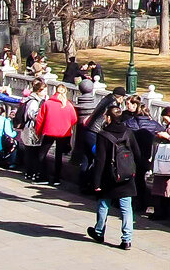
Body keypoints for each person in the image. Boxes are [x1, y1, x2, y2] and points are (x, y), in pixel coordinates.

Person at [88, 103, 137, 250]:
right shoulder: (128, 132)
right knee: (126, 208)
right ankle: (127, 239)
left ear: (109, 118)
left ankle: (99, 231)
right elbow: (137, 153)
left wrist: (96, 182)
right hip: (126, 175)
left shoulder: (103, 135)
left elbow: (100, 160)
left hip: (109, 176)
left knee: (104, 204)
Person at [34, 82, 77, 185]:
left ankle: (43, 176)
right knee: (59, 156)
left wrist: (38, 132)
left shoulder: (48, 103)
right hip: (63, 133)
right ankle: (56, 178)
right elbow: (74, 119)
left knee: (42, 154)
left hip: (49, 131)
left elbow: (40, 119)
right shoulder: (68, 105)